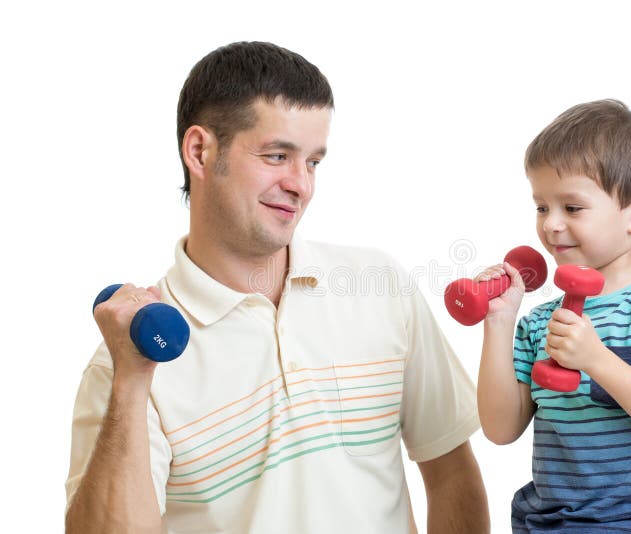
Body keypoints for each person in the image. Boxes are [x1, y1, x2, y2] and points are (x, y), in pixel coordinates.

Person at [65, 41, 489, 534]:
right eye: (277, 155)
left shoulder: (382, 289)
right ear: (200, 151)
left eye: (312, 162)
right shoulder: (128, 362)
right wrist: (132, 382)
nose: (301, 185)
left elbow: (451, 473)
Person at [476, 99, 631, 533]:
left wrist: (596, 359)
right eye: (541, 206)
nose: (551, 224)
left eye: (572, 208)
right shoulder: (539, 322)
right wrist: (499, 322)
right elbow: (499, 428)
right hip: (543, 523)